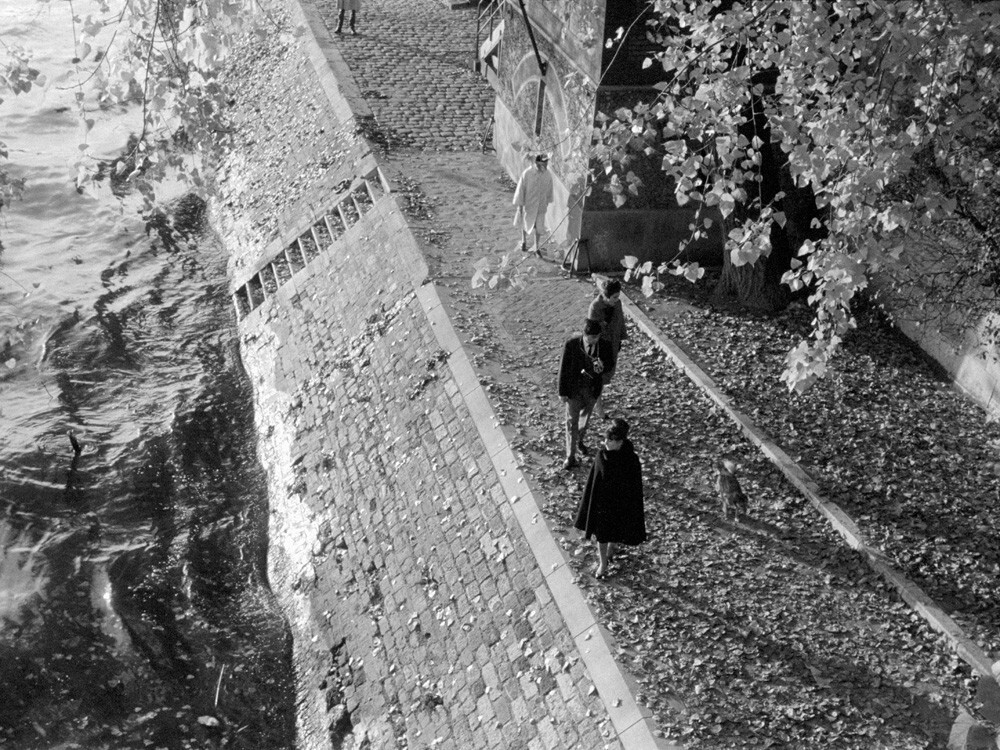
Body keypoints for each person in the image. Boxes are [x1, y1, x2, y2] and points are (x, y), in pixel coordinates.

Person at [574, 418, 646, 578]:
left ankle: (612, 549)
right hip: (603, 506)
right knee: (602, 536)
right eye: (605, 438)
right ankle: (603, 563)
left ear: (620, 441)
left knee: (617, 531)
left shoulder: (631, 460)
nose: (605, 442)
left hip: (621, 504)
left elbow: (634, 486)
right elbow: (593, 483)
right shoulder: (601, 456)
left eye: (610, 440)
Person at [558, 318, 615, 470]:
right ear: (584, 335)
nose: (594, 341)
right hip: (574, 391)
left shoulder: (604, 346)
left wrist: (603, 367)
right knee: (571, 423)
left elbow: (610, 364)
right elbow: (563, 369)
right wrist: (562, 392)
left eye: (597, 337)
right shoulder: (571, 345)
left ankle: (579, 441)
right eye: (591, 338)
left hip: (591, 391)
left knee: (584, 420)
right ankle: (570, 456)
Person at [587, 277, 628, 419]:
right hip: (600, 346)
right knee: (599, 375)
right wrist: (604, 322)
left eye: (618, 296)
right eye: (614, 297)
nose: (616, 299)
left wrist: (621, 338)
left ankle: (597, 398)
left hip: (613, 344)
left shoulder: (617, 304)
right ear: (605, 295)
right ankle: (598, 408)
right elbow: (591, 331)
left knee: (607, 373)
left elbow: (621, 321)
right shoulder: (595, 307)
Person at [512, 154, 554, 256]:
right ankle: (523, 240)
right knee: (526, 222)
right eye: (543, 163)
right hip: (529, 203)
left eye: (546, 163)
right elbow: (521, 189)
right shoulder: (527, 173)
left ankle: (537, 246)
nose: (545, 165)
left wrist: (547, 201)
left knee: (539, 226)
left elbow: (549, 189)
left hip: (541, 204)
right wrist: (520, 205)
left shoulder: (548, 174)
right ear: (537, 163)